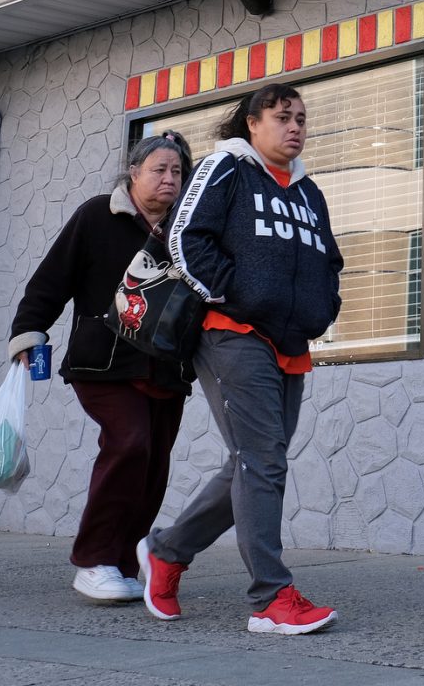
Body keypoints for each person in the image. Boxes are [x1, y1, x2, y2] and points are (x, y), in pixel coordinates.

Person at [136, 83, 344, 635]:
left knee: (252, 464)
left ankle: (167, 551)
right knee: (263, 462)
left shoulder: (308, 192)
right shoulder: (227, 166)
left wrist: (322, 310)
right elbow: (185, 236)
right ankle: (271, 599)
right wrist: (234, 293)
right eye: (283, 116)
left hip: (291, 342)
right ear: (253, 123)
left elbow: (331, 261)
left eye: (301, 118)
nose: (295, 126)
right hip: (233, 331)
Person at [6, 132, 195, 603]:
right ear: (133, 173)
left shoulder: (188, 227)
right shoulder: (97, 215)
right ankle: (93, 560)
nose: (170, 179)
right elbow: (53, 278)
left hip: (165, 365)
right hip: (102, 361)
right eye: (160, 169)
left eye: (177, 171)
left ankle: (123, 564)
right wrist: (31, 331)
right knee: (129, 443)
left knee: (153, 465)